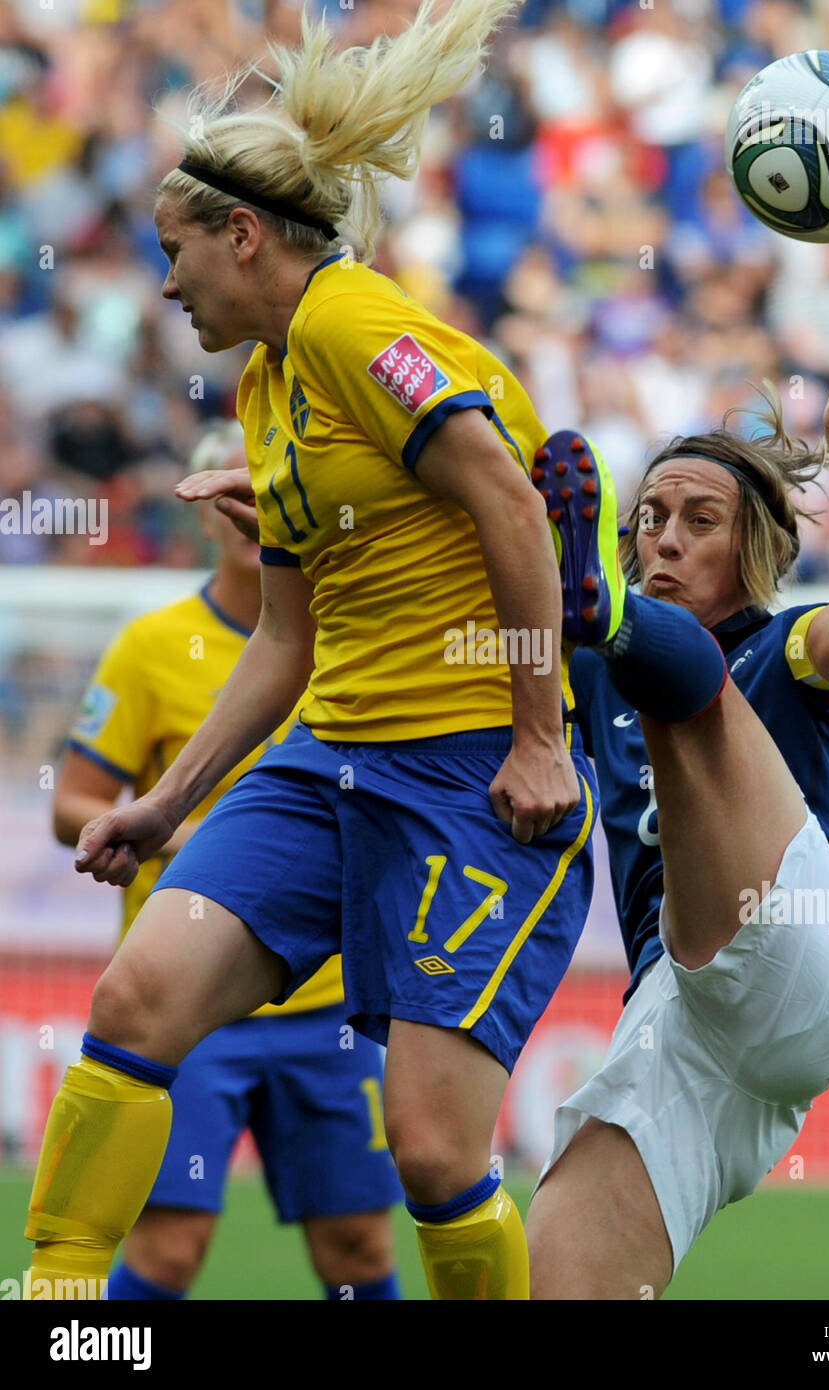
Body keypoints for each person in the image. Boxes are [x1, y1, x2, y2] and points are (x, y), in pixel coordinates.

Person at [25, 0, 595, 1303]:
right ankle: (61, 1311)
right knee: (132, 1005)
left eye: (178, 253)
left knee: (438, 1151)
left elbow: (514, 500)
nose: (166, 284)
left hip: (466, 774)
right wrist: (167, 800)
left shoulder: (348, 324)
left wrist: (538, 733)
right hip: (328, 755)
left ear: (243, 233)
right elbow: (286, 636)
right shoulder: (267, 380)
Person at [525, 311, 829, 1299]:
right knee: (561, 1272)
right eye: (649, 516)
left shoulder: (783, 647)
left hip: (802, 951)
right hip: (686, 1019)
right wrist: (299, 534)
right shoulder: (588, 666)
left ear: (752, 549)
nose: (664, 537)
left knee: (677, 681)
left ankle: (616, 615)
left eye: (699, 520)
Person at [53, 422, 402, 1302]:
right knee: (168, 1248)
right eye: (232, 487)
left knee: (359, 1252)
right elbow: (72, 803)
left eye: (272, 483)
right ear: (205, 509)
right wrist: (192, 839)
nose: (252, 505)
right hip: (191, 1006)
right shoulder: (152, 644)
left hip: (331, 1007)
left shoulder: (357, 637)